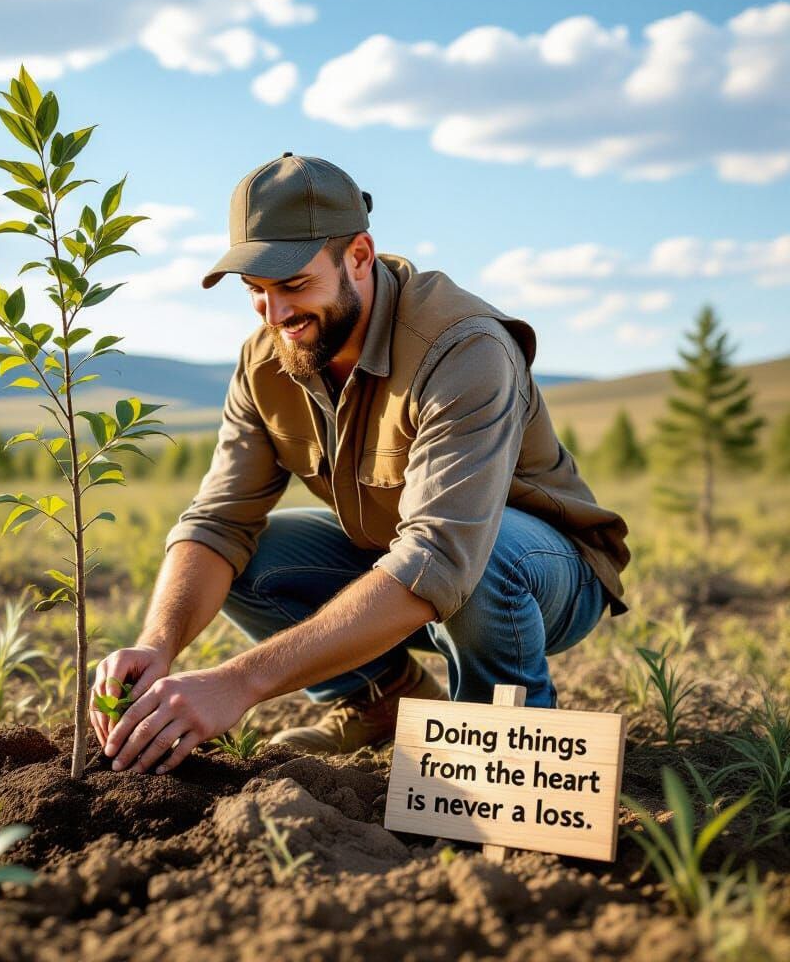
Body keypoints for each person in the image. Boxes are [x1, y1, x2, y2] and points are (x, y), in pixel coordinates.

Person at [88, 152, 631, 775]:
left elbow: (441, 553)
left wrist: (238, 683)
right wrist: (157, 645)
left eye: (293, 286)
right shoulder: (266, 360)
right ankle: (379, 701)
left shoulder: (463, 347)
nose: (277, 316)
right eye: (256, 294)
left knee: (481, 553)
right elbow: (217, 523)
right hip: (400, 561)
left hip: (540, 572)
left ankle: (506, 759)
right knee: (251, 555)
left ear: (360, 257)